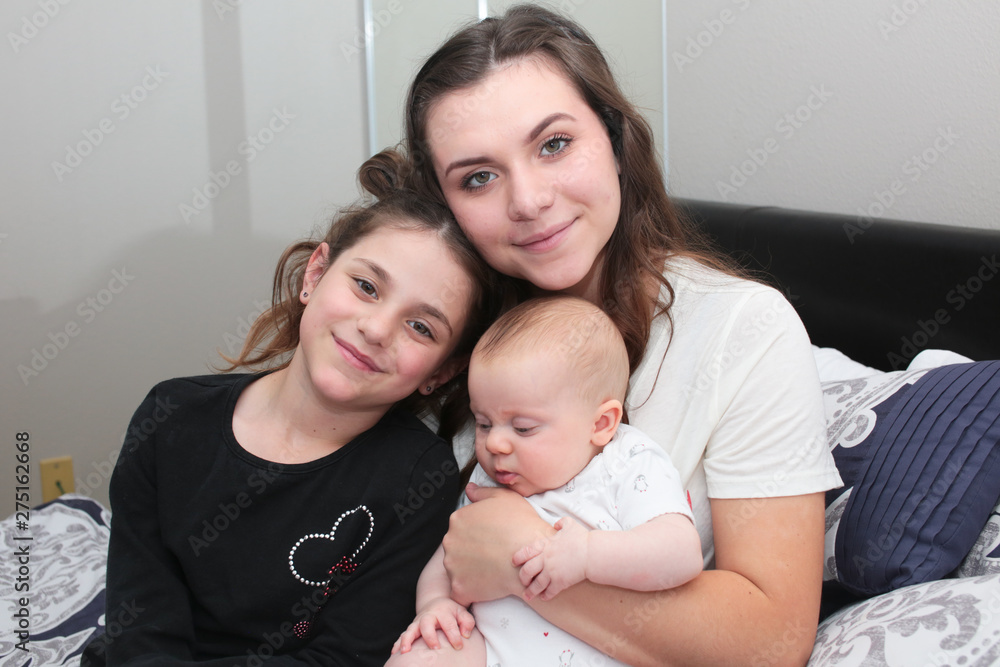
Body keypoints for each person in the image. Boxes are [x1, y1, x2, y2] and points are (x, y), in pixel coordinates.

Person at [392, 4, 844, 665]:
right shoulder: (446, 340)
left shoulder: (744, 330)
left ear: (614, 137)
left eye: (553, 144)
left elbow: (772, 640)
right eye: (478, 177)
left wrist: (519, 563)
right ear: (446, 203)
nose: (528, 200)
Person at [80, 155, 510, 666]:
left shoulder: (419, 481)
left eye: (421, 327)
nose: (375, 330)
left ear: (440, 372)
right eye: (366, 287)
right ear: (316, 274)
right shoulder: (169, 418)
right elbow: (141, 632)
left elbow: (342, 657)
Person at [388, 295, 703, 666]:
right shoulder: (490, 478)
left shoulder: (626, 461)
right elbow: (451, 552)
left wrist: (587, 555)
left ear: (600, 425)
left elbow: (681, 553)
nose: (495, 443)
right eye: (484, 423)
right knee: (424, 653)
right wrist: (435, 603)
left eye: (523, 427)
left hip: (595, 651)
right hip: (491, 653)